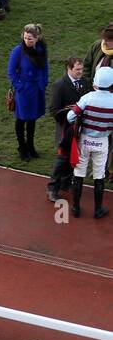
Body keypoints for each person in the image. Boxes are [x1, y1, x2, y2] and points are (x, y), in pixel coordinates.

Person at [68, 66, 113, 219]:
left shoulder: (87, 98)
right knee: (99, 176)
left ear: (95, 83)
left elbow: (70, 117)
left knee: (79, 174)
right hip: (102, 142)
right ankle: (98, 209)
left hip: (84, 140)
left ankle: (75, 208)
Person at [48, 58, 88, 204]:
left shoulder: (84, 82)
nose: (80, 72)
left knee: (74, 157)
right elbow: (53, 110)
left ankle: (66, 183)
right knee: (62, 159)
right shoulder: (60, 85)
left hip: (79, 128)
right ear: (69, 69)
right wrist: (68, 114)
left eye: (81, 69)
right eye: (77, 70)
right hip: (65, 128)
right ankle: (52, 188)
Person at [8, 24, 49, 161]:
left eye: (30, 39)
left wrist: (44, 82)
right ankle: (22, 147)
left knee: (32, 118)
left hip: (37, 89)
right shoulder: (18, 51)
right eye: (25, 38)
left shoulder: (41, 49)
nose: (27, 41)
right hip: (24, 90)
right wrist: (20, 86)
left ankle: (30, 146)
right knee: (21, 118)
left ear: (37, 38)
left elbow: (45, 67)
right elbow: (11, 72)